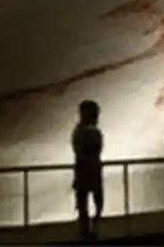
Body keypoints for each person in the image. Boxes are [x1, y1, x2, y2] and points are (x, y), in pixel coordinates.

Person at [71, 100, 104, 242]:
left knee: (88, 200)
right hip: (88, 170)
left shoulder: (82, 131)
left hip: (88, 170)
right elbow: (86, 150)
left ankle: (89, 229)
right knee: (88, 200)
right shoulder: (86, 131)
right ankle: (88, 229)